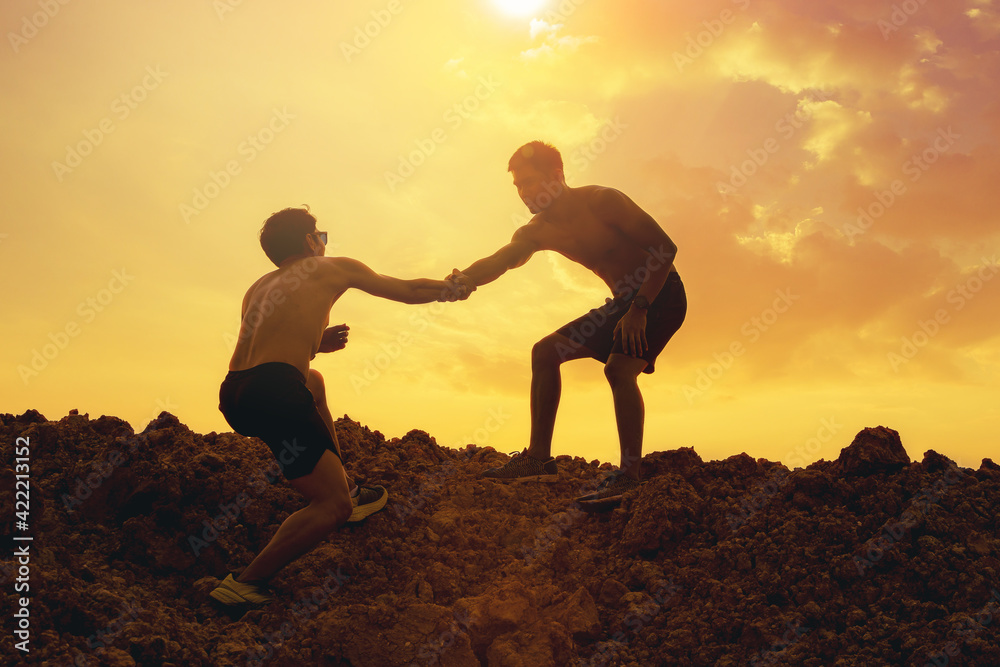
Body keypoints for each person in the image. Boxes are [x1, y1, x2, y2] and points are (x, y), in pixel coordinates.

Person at [211, 207, 470, 607]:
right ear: (309, 242)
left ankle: (345, 485)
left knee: (312, 381)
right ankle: (246, 582)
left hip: (236, 392)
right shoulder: (332, 268)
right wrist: (450, 287)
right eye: (321, 235)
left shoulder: (258, 287)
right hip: (276, 391)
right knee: (332, 506)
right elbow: (406, 290)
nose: (324, 242)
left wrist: (318, 343)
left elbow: (277, 344)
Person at [447, 141, 686, 505]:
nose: (524, 193)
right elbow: (502, 260)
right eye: (518, 187)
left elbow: (665, 249)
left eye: (530, 182)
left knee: (619, 370)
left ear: (557, 175)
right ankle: (538, 460)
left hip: (660, 291)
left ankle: (629, 478)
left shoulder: (604, 201)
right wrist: (463, 279)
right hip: (624, 303)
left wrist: (639, 309)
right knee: (545, 352)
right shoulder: (536, 232)